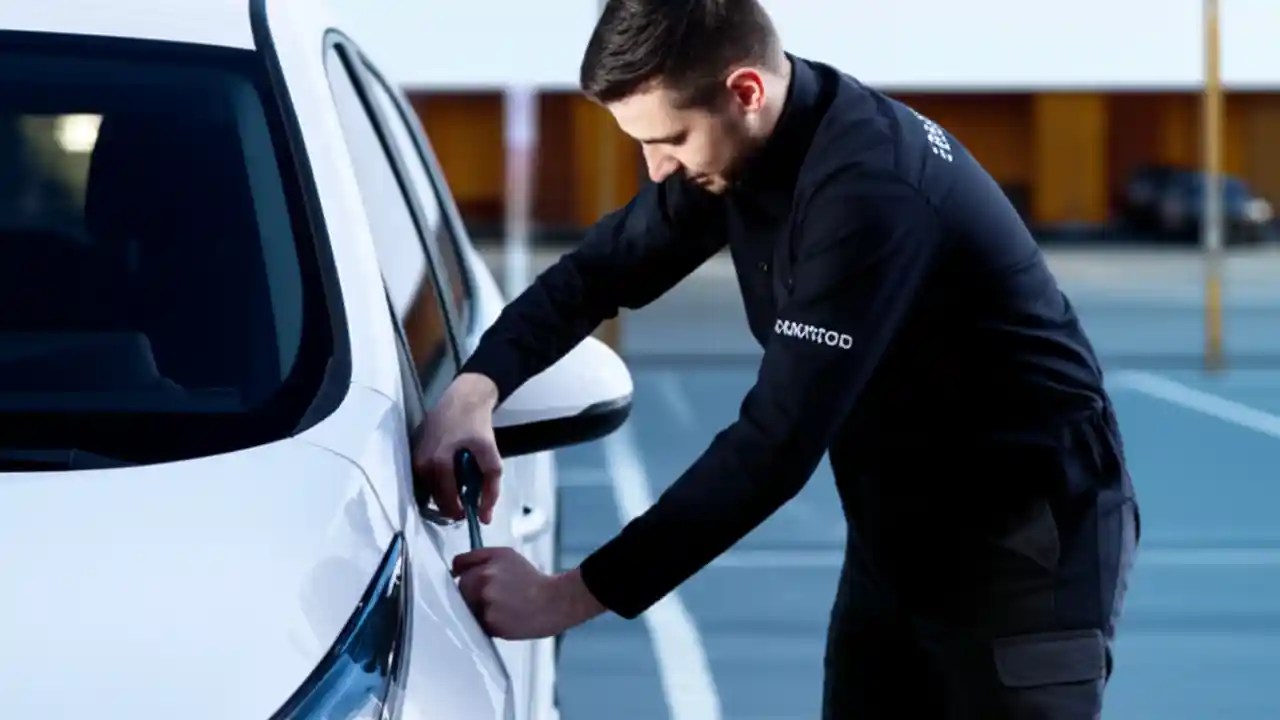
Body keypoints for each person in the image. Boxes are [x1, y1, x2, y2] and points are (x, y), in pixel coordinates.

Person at [412, 0, 1140, 717]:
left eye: (667, 139)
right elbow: (595, 274)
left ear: (745, 91)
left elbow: (776, 445)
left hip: (1026, 537)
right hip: (897, 527)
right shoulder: (734, 148)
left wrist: (566, 596)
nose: (656, 168)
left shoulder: (868, 189)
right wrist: (477, 387)